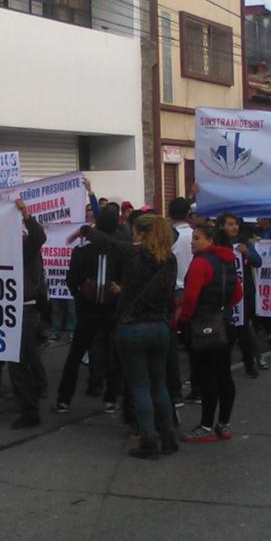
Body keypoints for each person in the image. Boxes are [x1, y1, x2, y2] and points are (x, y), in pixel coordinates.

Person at [84, 215, 179, 459]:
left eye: (135, 231)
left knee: (140, 386)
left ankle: (148, 440)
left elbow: (108, 242)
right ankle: (168, 437)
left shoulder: (133, 256)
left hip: (132, 326)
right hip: (159, 327)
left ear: (141, 234)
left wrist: (85, 229)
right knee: (159, 385)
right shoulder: (170, 260)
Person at [0, 199, 47, 429]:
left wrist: (26, 214)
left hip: (23, 308)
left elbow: (39, 237)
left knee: (18, 361)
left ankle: (30, 411)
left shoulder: (24, 245)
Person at [178, 225, 243, 443]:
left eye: (197, 238)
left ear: (209, 240)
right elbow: (237, 294)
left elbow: (190, 298)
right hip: (224, 323)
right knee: (224, 374)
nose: (192, 242)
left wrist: (183, 319)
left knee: (207, 377)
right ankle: (224, 423)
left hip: (203, 325)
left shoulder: (201, 263)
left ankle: (206, 425)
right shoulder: (228, 261)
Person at [55, 207, 122, 413]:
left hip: (87, 310)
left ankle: (64, 399)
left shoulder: (82, 251)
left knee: (75, 355)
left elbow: (71, 280)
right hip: (112, 309)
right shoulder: (122, 250)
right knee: (113, 355)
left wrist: (80, 296)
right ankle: (111, 399)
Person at [218, 213, 264, 377]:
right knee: (227, 332)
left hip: (245, 294)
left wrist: (247, 253)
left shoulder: (244, 243)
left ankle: (250, 365)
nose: (234, 227)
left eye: (236, 224)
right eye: (230, 224)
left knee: (244, 331)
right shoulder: (219, 244)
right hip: (226, 295)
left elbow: (258, 262)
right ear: (222, 227)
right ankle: (223, 367)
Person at [168, 197, 193, 404]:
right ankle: (198, 387)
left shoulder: (170, 237)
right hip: (193, 290)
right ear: (188, 214)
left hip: (175, 292)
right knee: (194, 342)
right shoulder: (196, 235)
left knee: (173, 344)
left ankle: (175, 391)